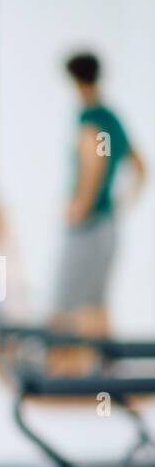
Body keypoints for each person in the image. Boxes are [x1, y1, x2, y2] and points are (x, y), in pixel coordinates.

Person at [51, 51, 146, 339]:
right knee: (95, 304)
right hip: (107, 225)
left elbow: (96, 159)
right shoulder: (111, 118)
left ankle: (66, 377)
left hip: (89, 226)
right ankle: (103, 375)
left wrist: (81, 204)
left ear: (77, 82)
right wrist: (121, 203)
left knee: (66, 306)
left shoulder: (91, 118)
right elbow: (140, 167)